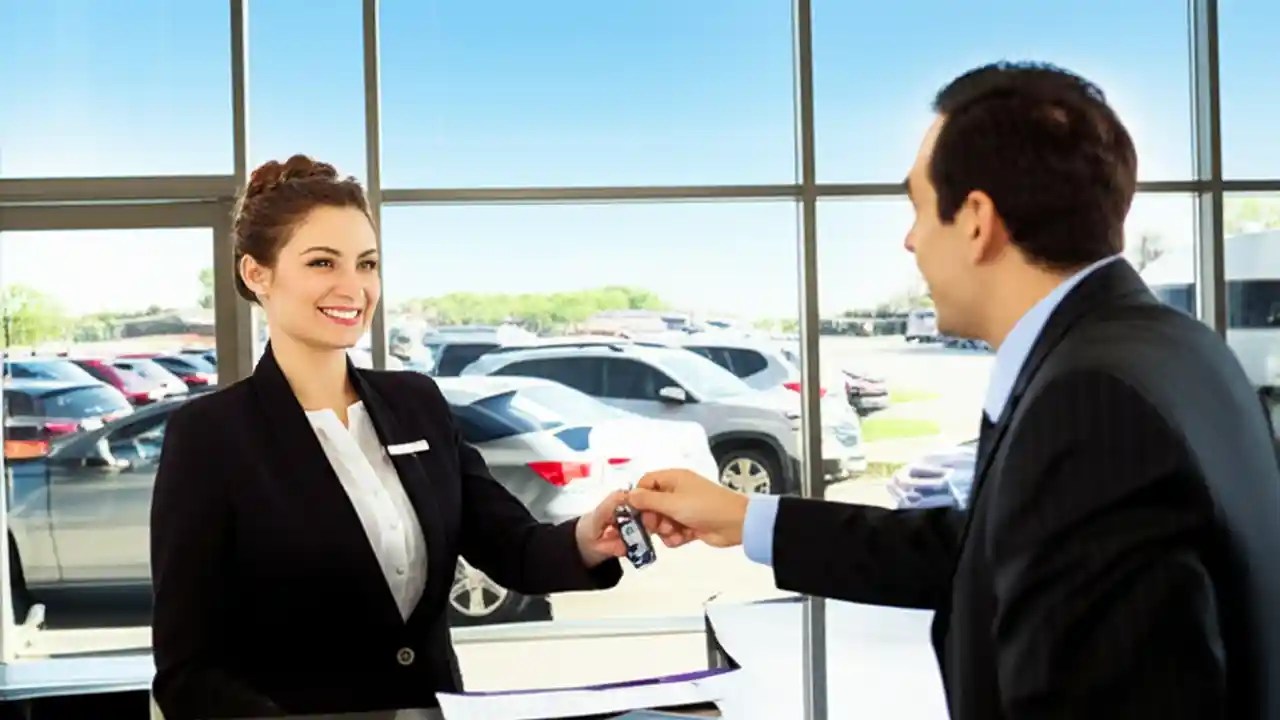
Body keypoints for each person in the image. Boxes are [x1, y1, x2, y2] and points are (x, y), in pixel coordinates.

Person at [628, 62, 1280, 720]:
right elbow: (984, 551)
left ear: (975, 220)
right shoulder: (1182, 350)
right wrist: (745, 519)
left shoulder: (1088, 403)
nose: (909, 240)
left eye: (917, 207)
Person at [150, 154, 631, 719]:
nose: (352, 287)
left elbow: (510, 544)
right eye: (323, 262)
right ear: (258, 274)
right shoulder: (211, 437)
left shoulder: (416, 403)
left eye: (367, 263)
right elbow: (189, 671)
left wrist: (586, 538)